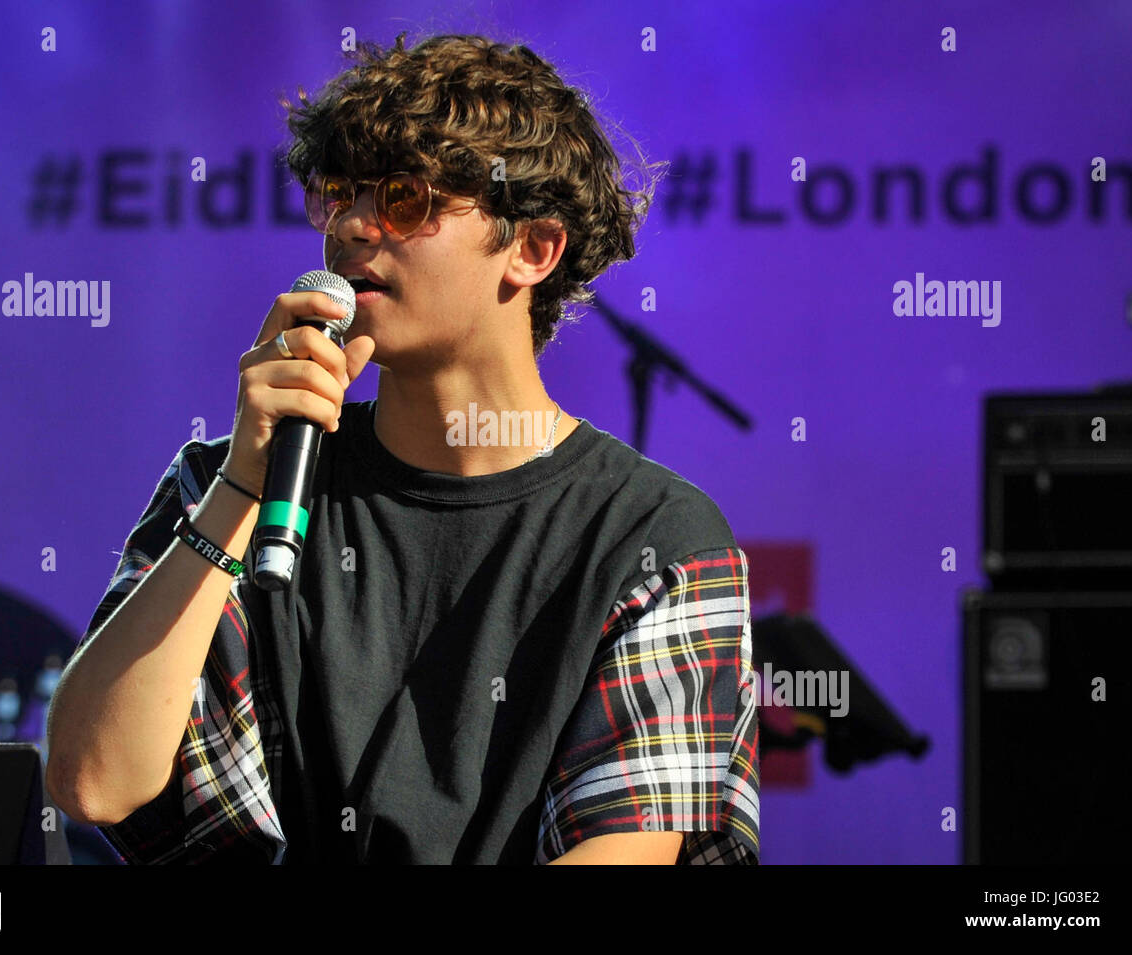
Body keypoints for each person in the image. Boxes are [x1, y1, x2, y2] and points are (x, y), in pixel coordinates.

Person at [45, 32, 759, 865]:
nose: (351, 225)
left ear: (533, 248)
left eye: (405, 200)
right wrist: (242, 487)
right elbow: (93, 781)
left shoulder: (654, 537)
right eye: (339, 194)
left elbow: (618, 852)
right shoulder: (234, 483)